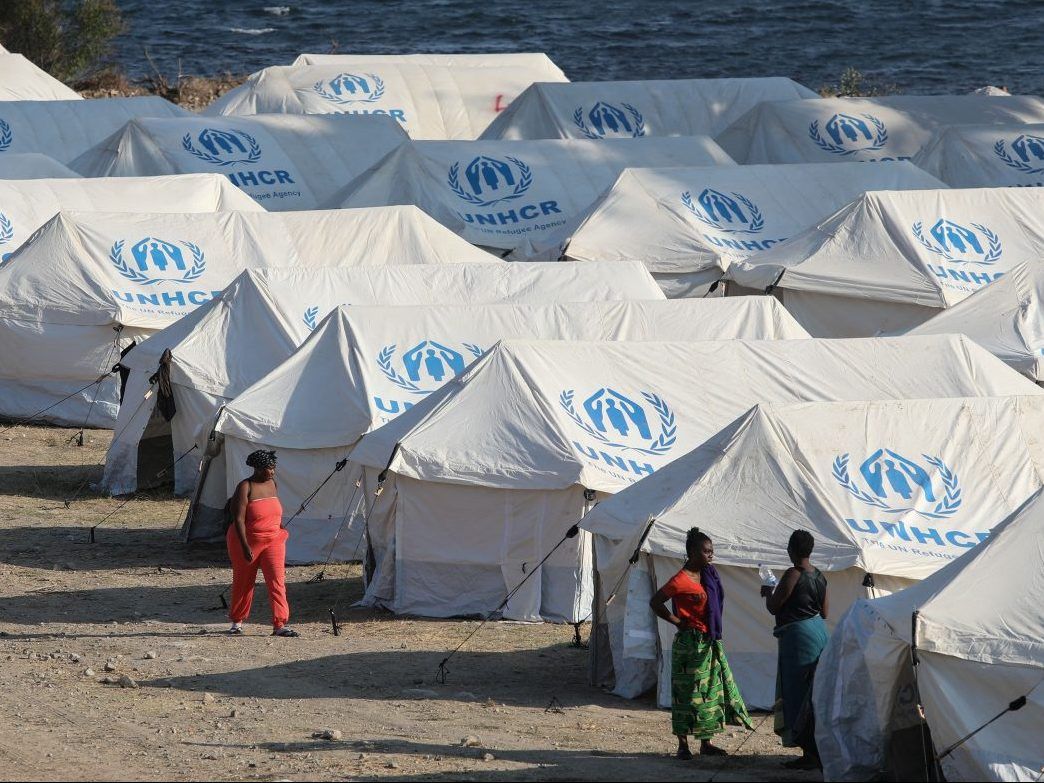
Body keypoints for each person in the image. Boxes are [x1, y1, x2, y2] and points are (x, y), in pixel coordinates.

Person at [650, 527, 753, 760]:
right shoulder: (680, 580)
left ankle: (706, 742)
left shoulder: (709, 575)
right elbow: (655, 601)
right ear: (693, 552)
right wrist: (677, 621)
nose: (710, 555)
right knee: (685, 693)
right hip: (689, 646)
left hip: (708, 641)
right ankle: (683, 745)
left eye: (712, 551)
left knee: (709, 693)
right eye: (706, 551)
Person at [760, 530, 829, 770]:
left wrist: (768, 590)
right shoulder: (820, 576)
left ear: (791, 550)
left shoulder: (793, 574)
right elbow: (825, 612)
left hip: (799, 639)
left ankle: (810, 753)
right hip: (819, 634)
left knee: (798, 693)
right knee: (815, 691)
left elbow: (773, 606)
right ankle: (816, 750)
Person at [226, 449, 298, 637]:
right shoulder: (245, 486)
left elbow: (273, 510)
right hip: (247, 541)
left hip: (273, 540)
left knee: (277, 581)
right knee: (244, 581)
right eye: (269, 468)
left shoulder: (273, 484)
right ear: (258, 469)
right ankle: (237, 621)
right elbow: (238, 520)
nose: (273, 471)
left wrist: (280, 528)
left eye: (274, 468)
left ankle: (280, 624)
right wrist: (244, 546)